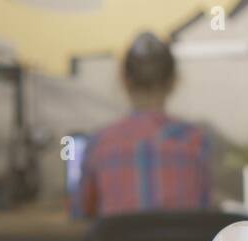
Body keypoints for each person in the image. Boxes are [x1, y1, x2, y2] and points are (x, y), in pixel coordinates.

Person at [81, 32, 212, 217]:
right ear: (173, 81)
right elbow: (203, 210)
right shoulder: (197, 141)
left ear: (124, 80)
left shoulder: (99, 143)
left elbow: (84, 214)